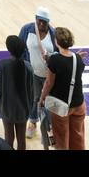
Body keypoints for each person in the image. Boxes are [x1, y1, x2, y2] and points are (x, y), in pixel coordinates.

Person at [40, 26, 86, 150]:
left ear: (56, 41)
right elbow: (69, 66)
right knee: (78, 139)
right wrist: (77, 57)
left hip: (61, 106)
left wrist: (41, 99)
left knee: (61, 140)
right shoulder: (78, 59)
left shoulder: (54, 60)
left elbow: (49, 83)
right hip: (79, 104)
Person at [20, 9, 54, 148]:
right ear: (35, 18)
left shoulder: (53, 33)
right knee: (35, 99)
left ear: (48, 22)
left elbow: (58, 52)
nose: (41, 23)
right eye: (39, 20)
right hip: (33, 74)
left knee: (49, 102)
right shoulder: (27, 29)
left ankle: (49, 128)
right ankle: (33, 122)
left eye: (44, 21)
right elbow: (20, 48)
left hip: (49, 75)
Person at [0, 35, 33, 150]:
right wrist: (29, 108)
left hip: (6, 108)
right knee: (22, 139)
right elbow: (32, 91)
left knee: (8, 138)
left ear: (9, 49)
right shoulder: (28, 66)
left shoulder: (1, 65)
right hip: (23, 109)